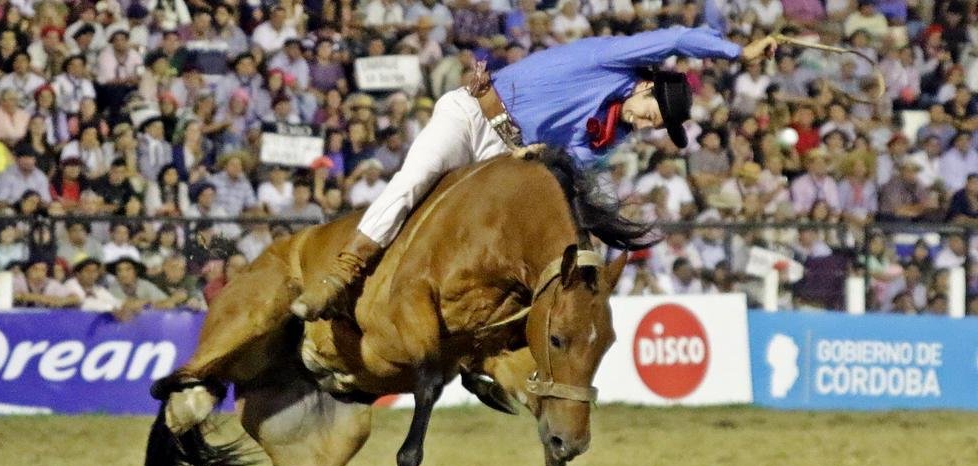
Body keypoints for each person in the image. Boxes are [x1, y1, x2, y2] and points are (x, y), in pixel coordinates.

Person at [291, 28, 778, 320]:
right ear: (646, 84)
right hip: (472, 115)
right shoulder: (611, 59)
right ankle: (341, 273)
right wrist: (739, 53)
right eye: (656, 112)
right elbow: (675, 36)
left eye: (661, 125)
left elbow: (569, 167)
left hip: (504, 158)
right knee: (412, 183)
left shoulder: (614, 134)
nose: (653, 124)